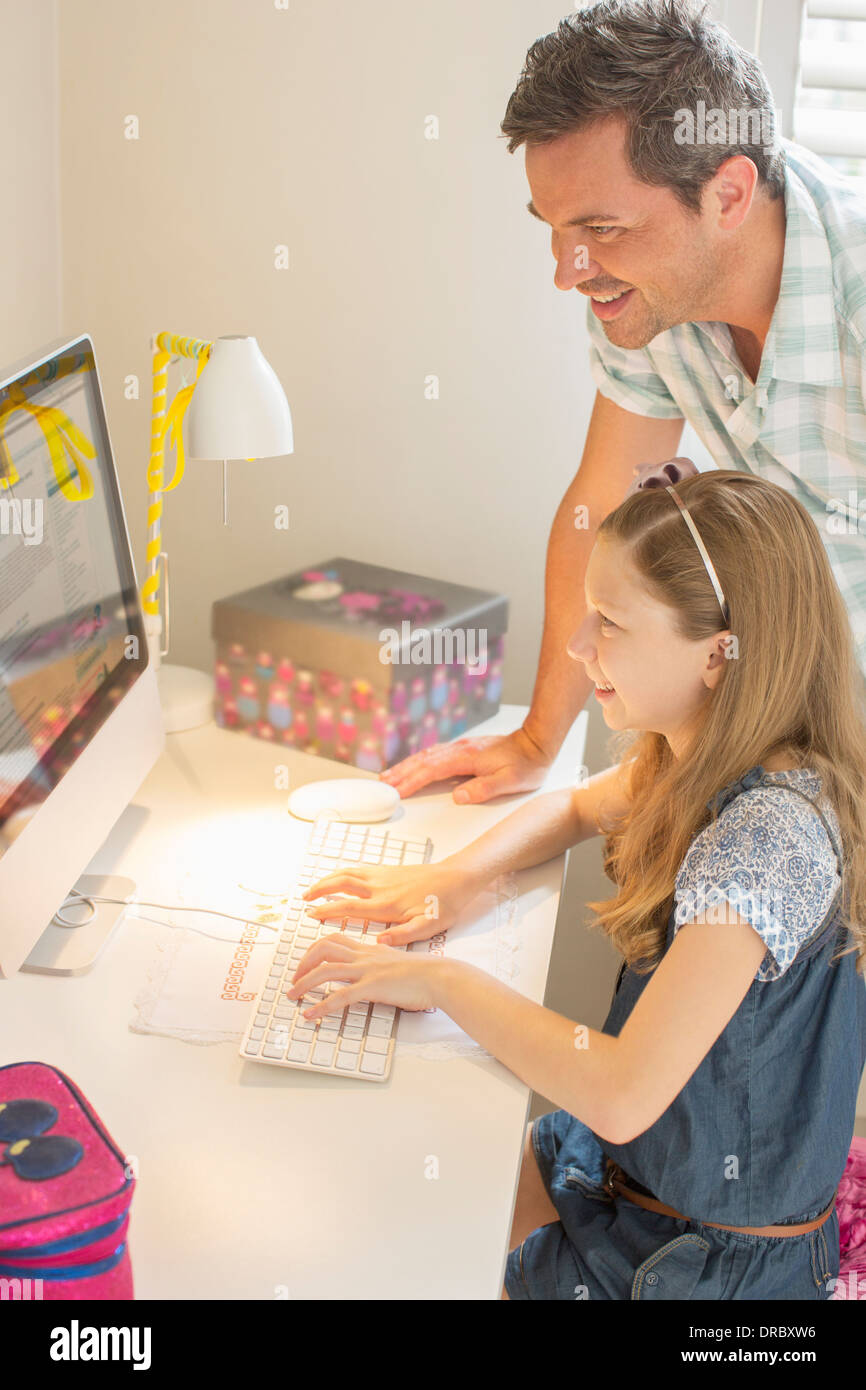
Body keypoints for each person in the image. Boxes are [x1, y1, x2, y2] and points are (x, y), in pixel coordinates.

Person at [287, 470, 866, 1300]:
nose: (576, 646)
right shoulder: (711, 754)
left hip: (706, 1268)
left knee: (393, 1249)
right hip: (631, 1181)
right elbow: (574, 807)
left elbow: (625, 1093)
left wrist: (444, 979)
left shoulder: (767, 842)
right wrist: (455, 880)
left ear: (717, 651)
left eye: (611, 624)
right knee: (403, 1205)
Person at [380, 0, 866, 806]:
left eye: (603, 227)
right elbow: (603, 498)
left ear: (729, 196)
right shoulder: (645, 297)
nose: (569, 272)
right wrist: (540, 741)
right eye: (555, 226)